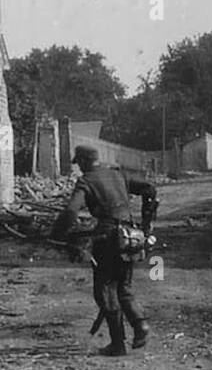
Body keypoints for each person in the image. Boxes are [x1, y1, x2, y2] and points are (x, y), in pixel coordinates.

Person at [53, 146, 159, 357]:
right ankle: (141, 326)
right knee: (124, 287)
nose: (79, 167)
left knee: (105, 290)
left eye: (79, 163)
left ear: (83, 161)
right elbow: (149, 189)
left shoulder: (86, 181)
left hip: (107, 239)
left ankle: (118, 344)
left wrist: (58, 233)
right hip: (130, 237)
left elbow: (72, 210)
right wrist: (147, 225)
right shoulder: (117, 174)